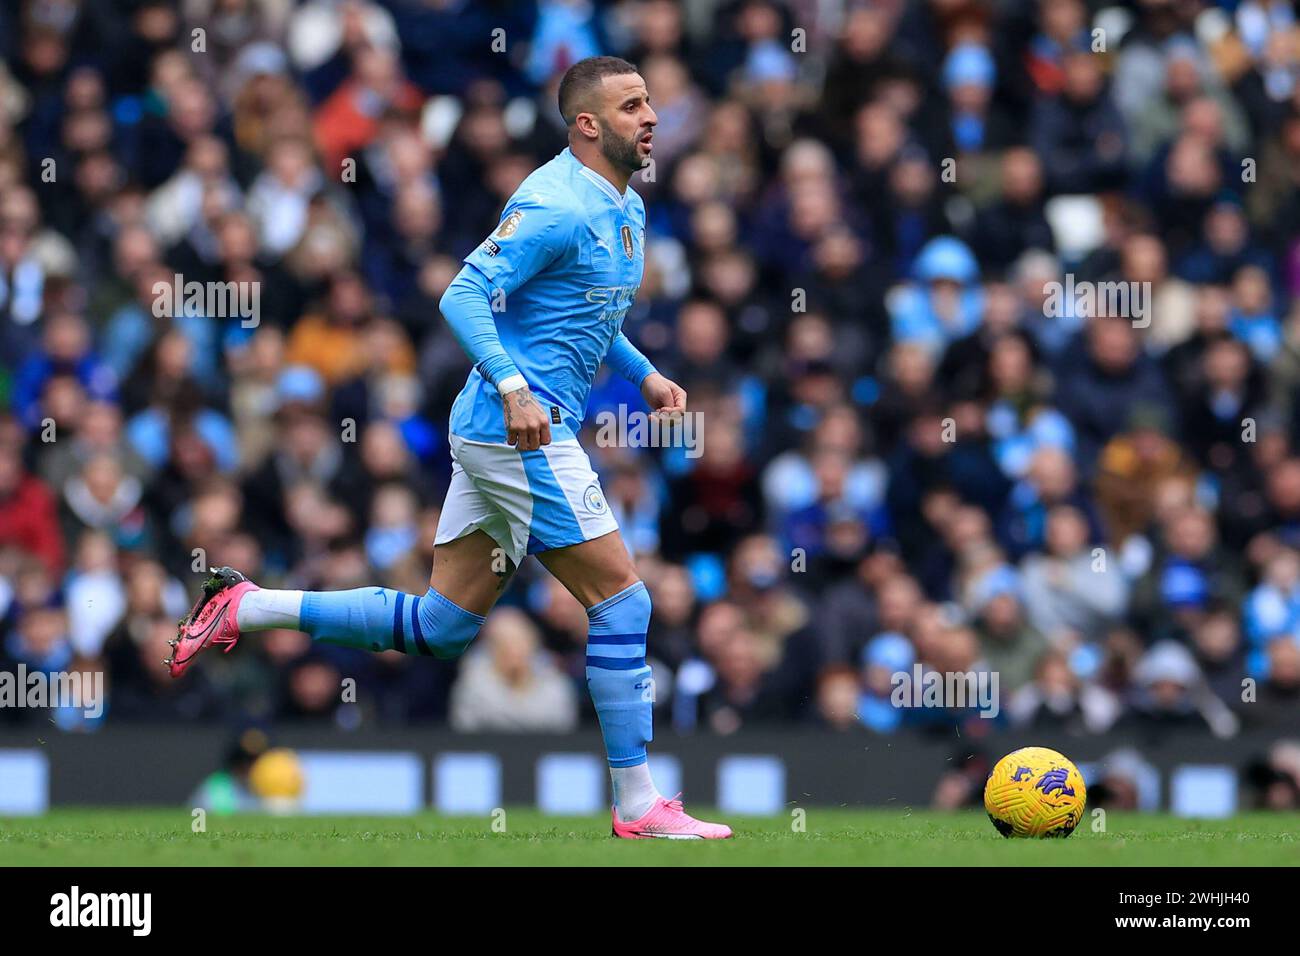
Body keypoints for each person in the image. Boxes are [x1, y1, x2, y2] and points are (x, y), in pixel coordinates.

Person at [164, 56, 730, 839]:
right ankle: (638, 804)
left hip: (507, 425)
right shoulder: (553, 201)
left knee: (440, 627)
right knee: (624, 599)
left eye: (650, 101)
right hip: (515, 427)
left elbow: (589, 311)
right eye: (634, 105)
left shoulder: (623, 204)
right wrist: (511, 383)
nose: (653, 116)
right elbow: (460, 293)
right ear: (588, 124)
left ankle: (247, 605)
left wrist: (645, 374)